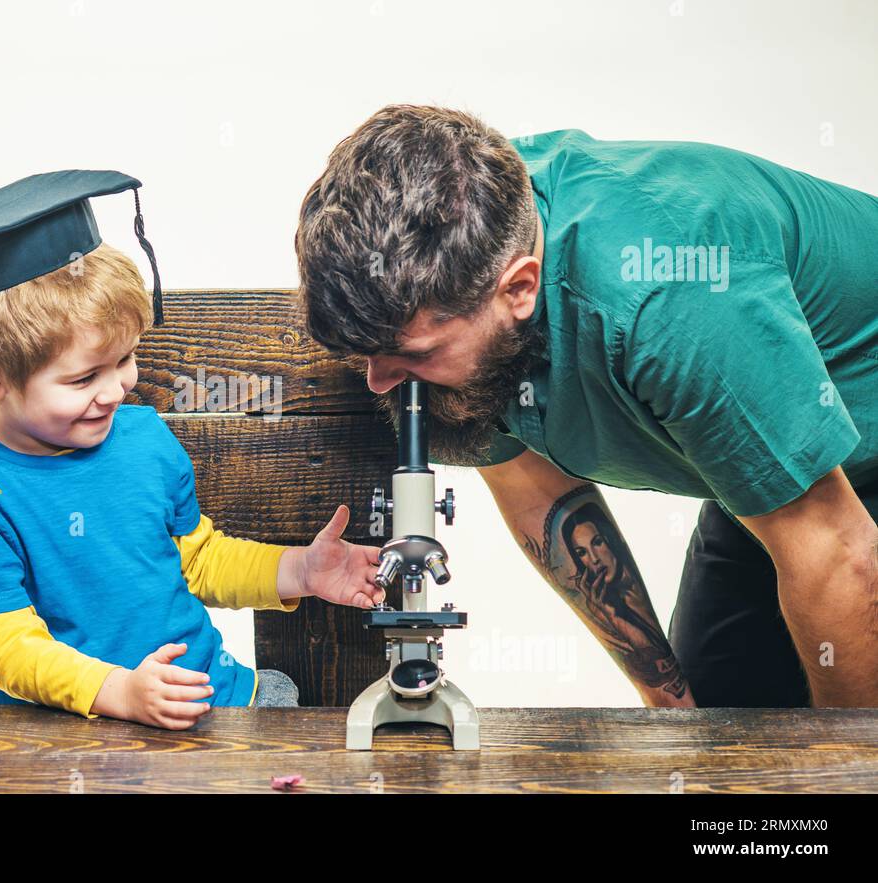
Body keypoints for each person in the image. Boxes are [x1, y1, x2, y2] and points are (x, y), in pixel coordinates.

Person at [295, 105, 878, 708]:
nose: (379, 382)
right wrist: (667, 706)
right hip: (781, 489)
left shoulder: (670, 300)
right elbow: (531, 487)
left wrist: (840, 763)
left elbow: (836, 549)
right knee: (707, 732)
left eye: (411, 354)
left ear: (520, 289)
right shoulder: (470, 245)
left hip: (842, 502)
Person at [0, 170, 383, 729]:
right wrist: (119, 692)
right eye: (83, 378)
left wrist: (300, 570)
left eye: (124, 360)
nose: (116, 389)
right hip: (77, 736)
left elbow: (197, 561)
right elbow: (7, 647)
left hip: (213, 698)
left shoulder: (145, 438)